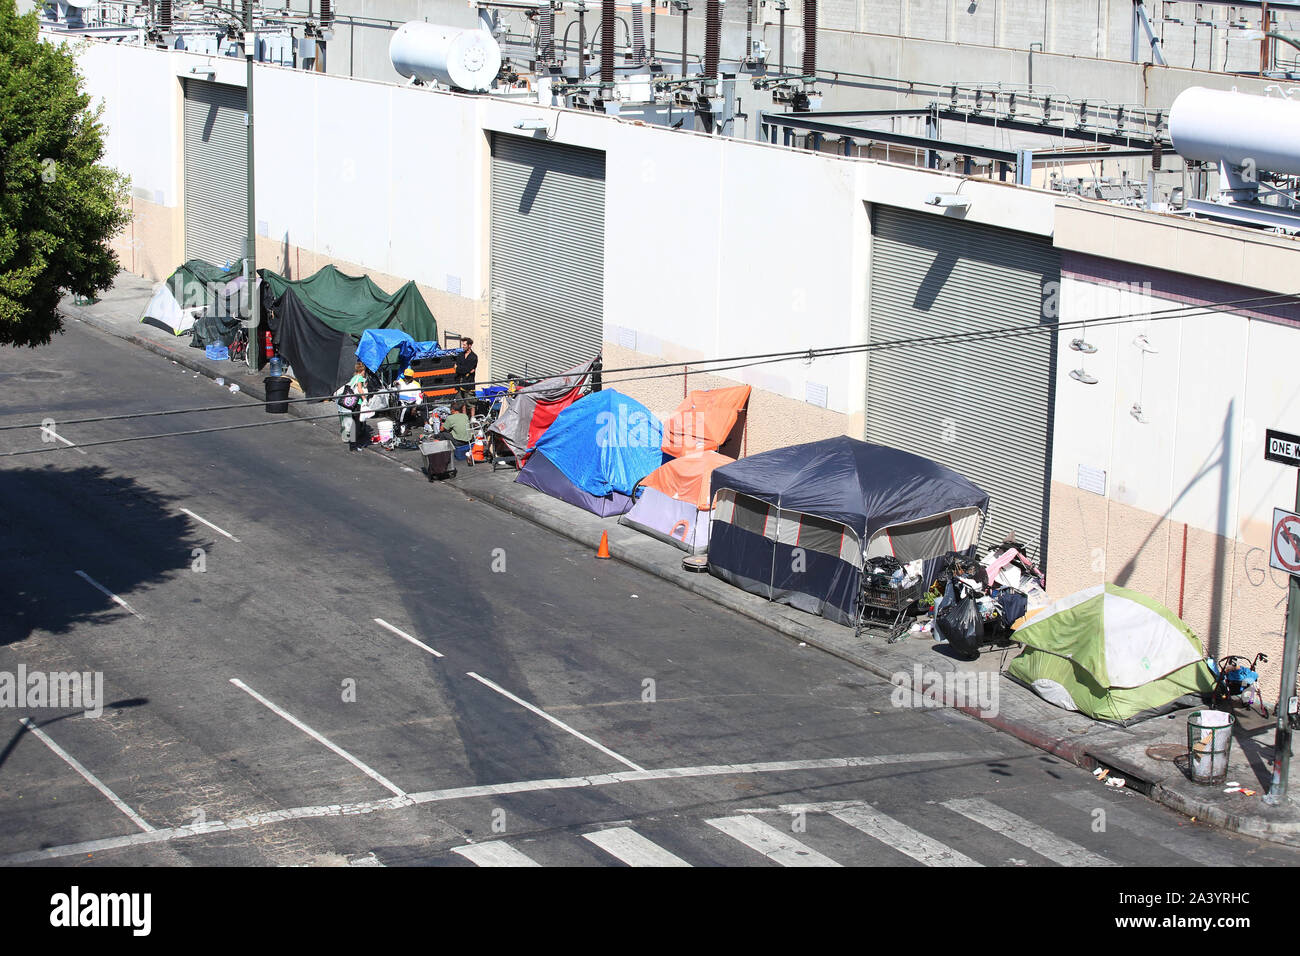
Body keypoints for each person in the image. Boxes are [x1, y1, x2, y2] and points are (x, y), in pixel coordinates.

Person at [335, 361, 369, 451]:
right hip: (357, 403)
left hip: (352, 404)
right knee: (357, 424)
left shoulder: (354, 378)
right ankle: (354, 445)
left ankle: (353, 444)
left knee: (355, 423)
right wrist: (365, 399)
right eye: (364, 371)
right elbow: (359, 389)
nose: (364, 373)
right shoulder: (360, 378)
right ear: (362, 371)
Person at [393, 367, 425, 433]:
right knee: (405, 409)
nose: (406, 378)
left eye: (408, 377)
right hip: (402, 402)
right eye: (406, 376)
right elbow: (395, 383)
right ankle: (401, 424)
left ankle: (426, 423)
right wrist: (395, 383)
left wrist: (415, 407)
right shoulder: (401, 381)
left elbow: (419, 397)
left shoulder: (416, 384)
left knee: (424, 408)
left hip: (413, 403)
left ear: (412, 377)